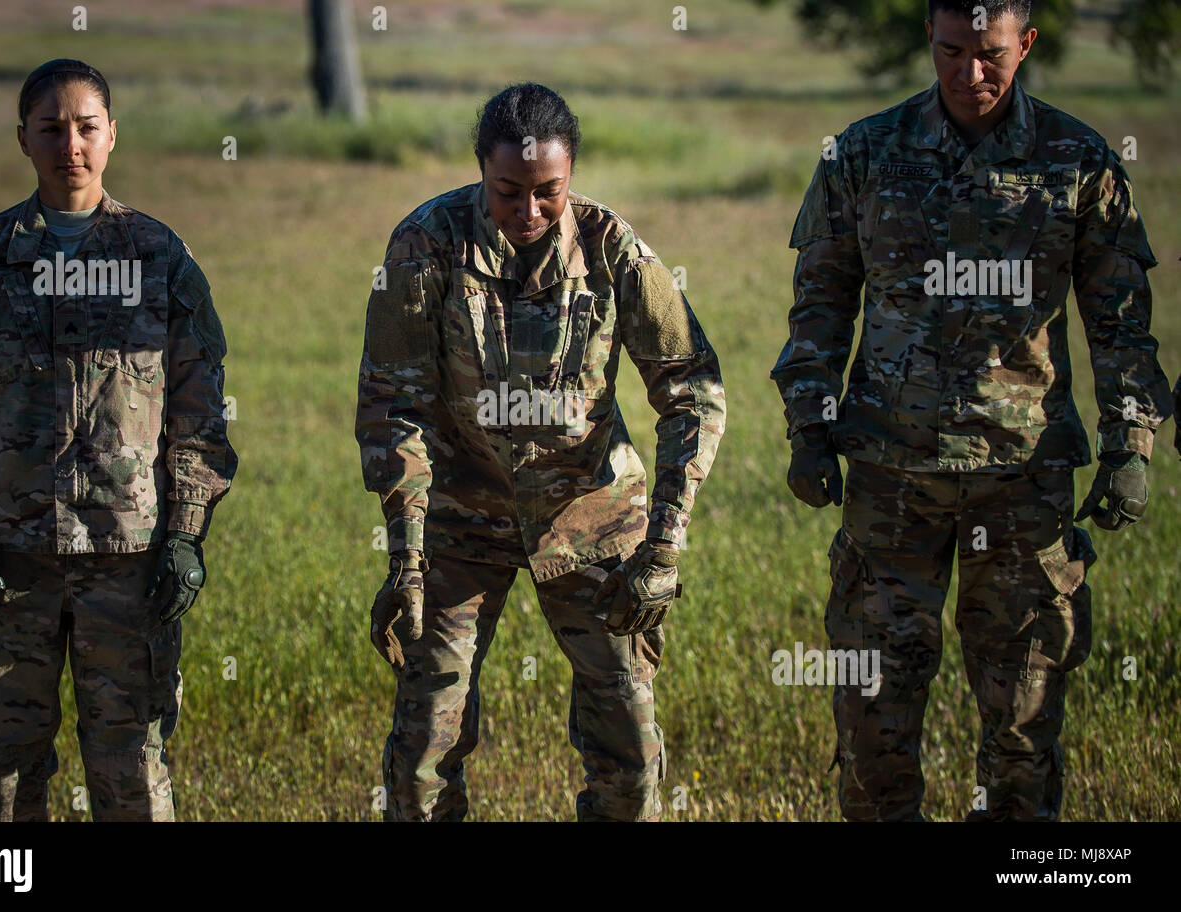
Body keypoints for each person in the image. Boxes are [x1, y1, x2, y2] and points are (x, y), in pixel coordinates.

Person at [772, 0, 1171, 822]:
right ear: (931, 37)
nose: (969, 73)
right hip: (891, 479)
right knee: (873, 720)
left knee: (1024, 721)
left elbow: (1120, 322)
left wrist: (1129, 443)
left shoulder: (1077, 160)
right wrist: (809, 428)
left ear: (1026, 43)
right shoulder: (864, 152)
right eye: (952, 51)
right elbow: (819, 304)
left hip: (1022, 483)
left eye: (990, 54)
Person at [356, 83, 726, 821]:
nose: (528, 212)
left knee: (626, 733)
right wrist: (406, 556)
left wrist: (663, 549)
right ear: (479, 170)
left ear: (573, 177)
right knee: (426, 738)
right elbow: (394, 403)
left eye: (548, 192)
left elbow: (692, 391)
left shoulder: (615, 247)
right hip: (462, 519)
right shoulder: (425, 243)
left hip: (592, 515)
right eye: (508, 192)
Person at [0, 58, 237, 821]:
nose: (71, 145)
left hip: (128, 563)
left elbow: (200, 414)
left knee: (130, 770)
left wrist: (186, 535)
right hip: (7, 559)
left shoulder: (159, 260)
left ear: (112, 136)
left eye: (86, 127)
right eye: (51, 128)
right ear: (22, 138)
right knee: (4, 767)